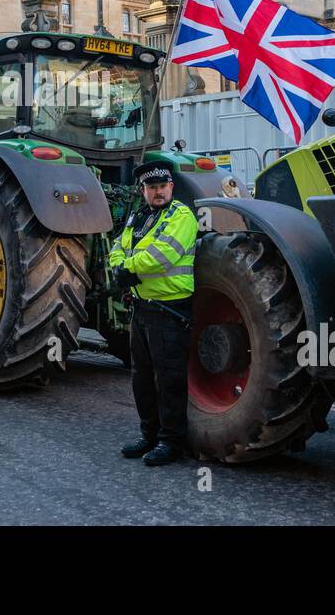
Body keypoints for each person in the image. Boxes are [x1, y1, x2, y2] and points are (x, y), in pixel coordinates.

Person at [110, 161, 197, 467]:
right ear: (143, 191)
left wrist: (128, 268)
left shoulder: (182, 215)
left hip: (169, 309)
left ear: (171, 188)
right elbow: (116, 248)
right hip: (142, 309)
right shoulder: (138, 217)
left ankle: (171, 442)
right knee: (142, 378)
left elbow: (164, 255)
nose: (158, 193)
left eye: (162, 187)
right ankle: (149, 435)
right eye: (152, 188)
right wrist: (120, 264)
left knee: (169, 379)